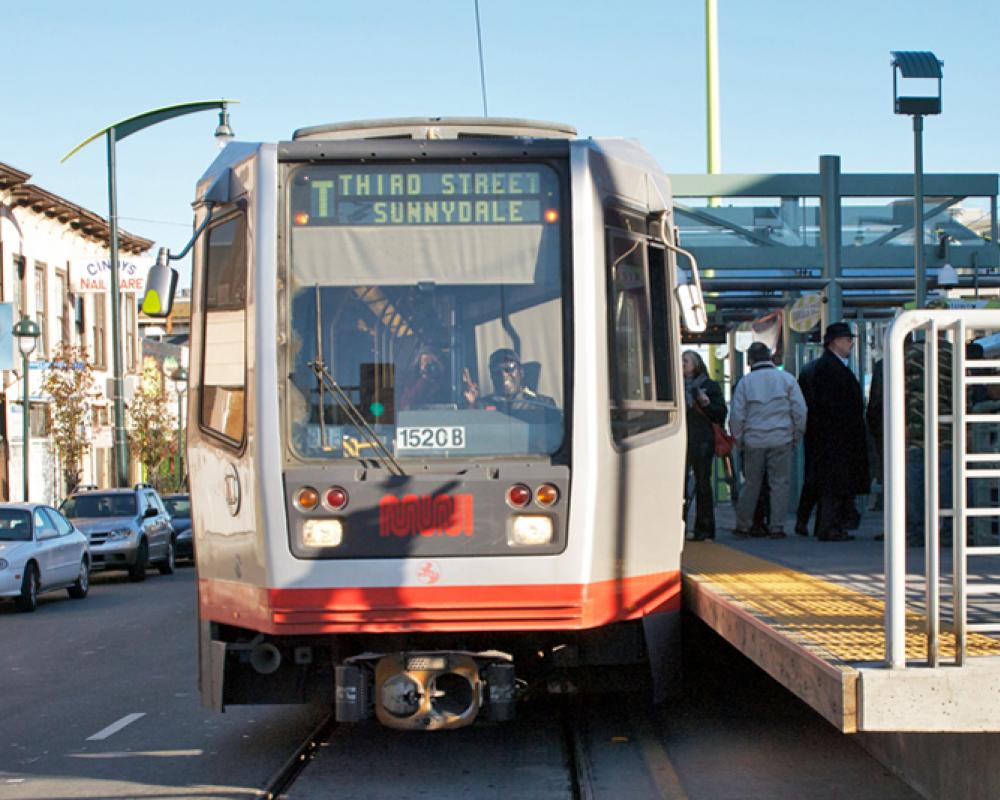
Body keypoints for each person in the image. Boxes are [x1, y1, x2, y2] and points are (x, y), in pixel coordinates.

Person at [800, 322, 870, 541]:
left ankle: (828, 524)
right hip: (836, 438)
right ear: (835, 342)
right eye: (848, 340)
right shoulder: (831, 370)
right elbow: (833, 405)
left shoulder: (821, 368)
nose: (850, 344)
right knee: (834, 484)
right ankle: (829, 526)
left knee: (828, 482)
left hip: (827, 438)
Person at [729, 342, 807, 539]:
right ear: (769, 357)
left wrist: (739, 440)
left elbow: (737, 416)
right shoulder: (787, 379)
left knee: (751, 484)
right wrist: (796, 435)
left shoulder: (745, 383)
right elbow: (800, 411)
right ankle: (777, 527)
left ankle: (743, 524)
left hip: (754, 440)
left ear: (750, 360)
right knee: (779, 484)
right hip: (781, 439)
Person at [682, 350, 727, 541]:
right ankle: (679, 525)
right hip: (682, 439)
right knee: (680, 486)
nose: (682, 364)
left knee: (703, 484)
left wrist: (706, 403)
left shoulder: (709, 386)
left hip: (702, 440)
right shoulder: (674, 386)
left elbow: (719, 414)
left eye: (686, 361)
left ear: (696, 364)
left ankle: (705, 528)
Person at [463, 348, 557, 418]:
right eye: (497, 370)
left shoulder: (543, 405)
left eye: (509, 368)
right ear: (491, 376)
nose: (504, 374)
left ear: (521, 372)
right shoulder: (482, 406)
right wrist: (472, 405)